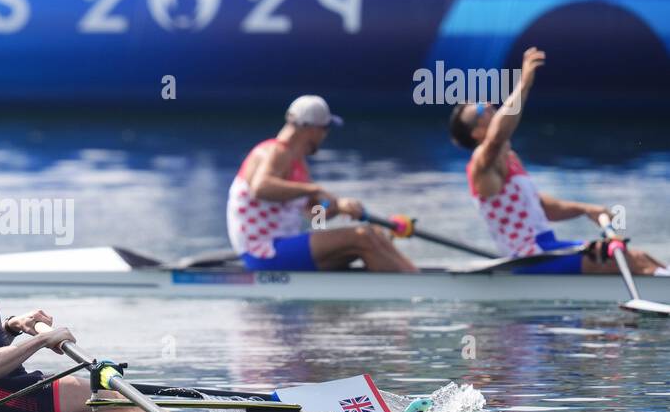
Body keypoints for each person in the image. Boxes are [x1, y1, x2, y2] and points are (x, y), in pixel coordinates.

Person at [0, 191, 148, 412]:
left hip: (13, 390)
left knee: (125, 406)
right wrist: (43, 340)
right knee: (133, 407)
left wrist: (12, 327)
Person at [448, 47, 667, 275]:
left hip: (548, 247)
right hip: (528, 258)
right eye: (483, 108)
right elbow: (496, 138)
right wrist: (523, 84)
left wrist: (586, 209)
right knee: (628, 260)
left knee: (639, 256)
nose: (491, 106)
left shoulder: (511, 159)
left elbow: (544, 208)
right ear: (475, 133)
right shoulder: (479, 165)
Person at [227, 95, 417, 272]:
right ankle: (418, 289)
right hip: (262, 251)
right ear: (311, 129)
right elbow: (261, 188)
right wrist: (315, 189)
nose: (325, 136)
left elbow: (315, 217)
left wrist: (338, 207)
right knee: (362, 237)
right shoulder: (273, 152)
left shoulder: (299, 164)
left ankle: (414, 278)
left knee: (373, 233)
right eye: (326, 129)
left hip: (283, 246)